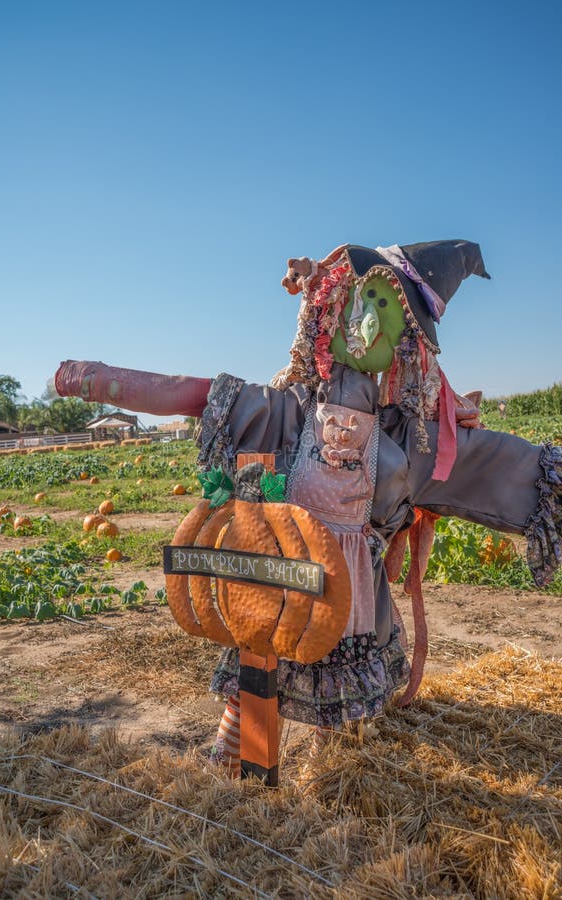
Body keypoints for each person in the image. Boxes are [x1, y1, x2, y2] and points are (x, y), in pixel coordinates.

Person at [55, 239, 562, 769]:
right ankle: (240, 751)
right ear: (333, 309)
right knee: (261, 654)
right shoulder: (290, 411)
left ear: (406, 343)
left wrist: (548, 476)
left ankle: (331, 762)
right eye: (363, 300)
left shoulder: (406, 439)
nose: (367, 320)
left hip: (351, 593)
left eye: (384, 308)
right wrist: (100, 381)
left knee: (339, 691)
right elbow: (197, 394)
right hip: (282, 571)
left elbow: (490, 463)